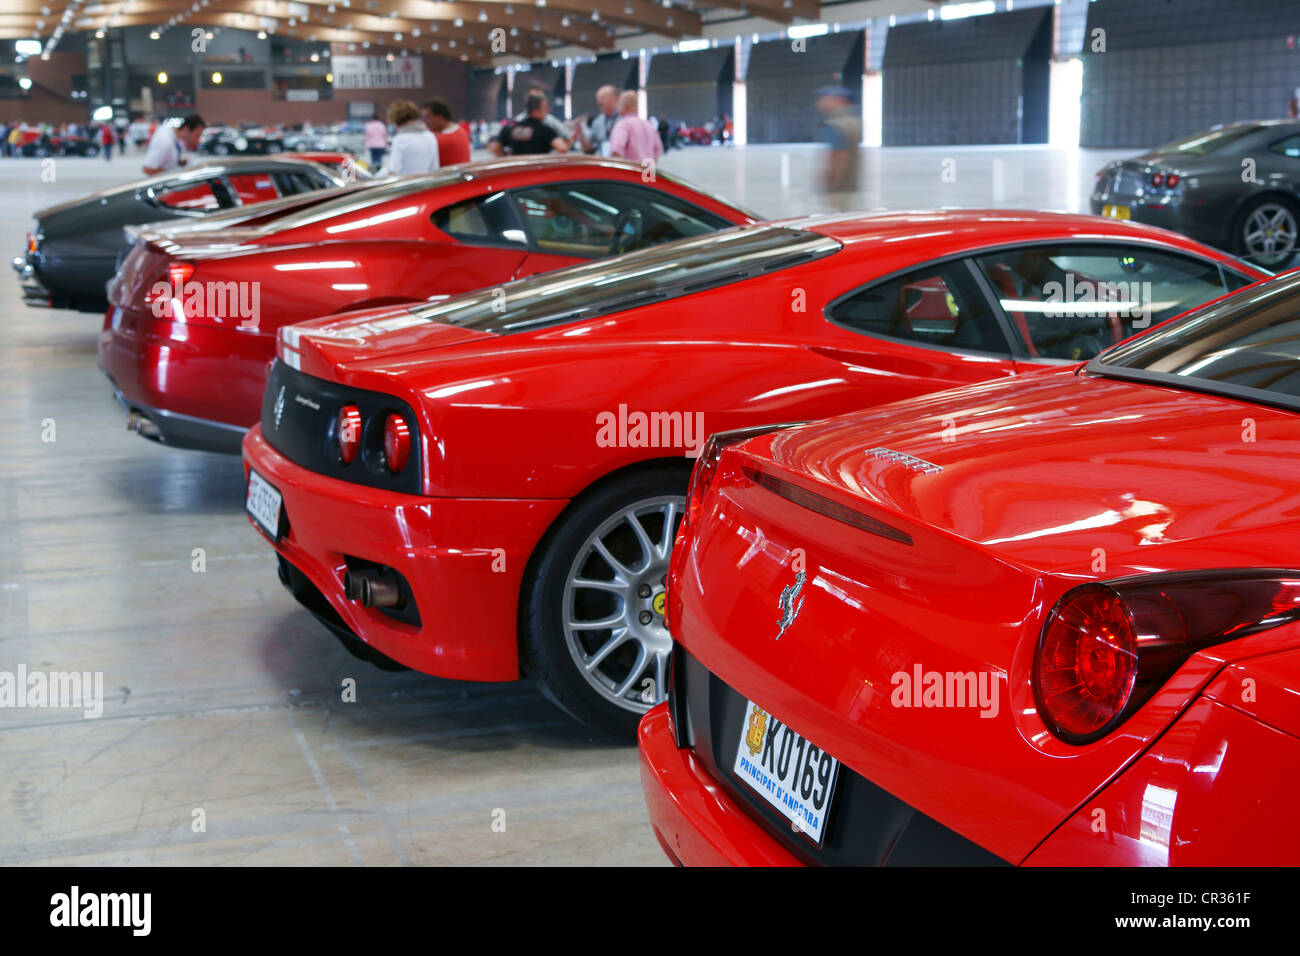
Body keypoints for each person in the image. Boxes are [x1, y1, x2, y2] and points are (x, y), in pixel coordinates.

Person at [815, 86, 861, 212]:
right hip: (851, 184)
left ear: (837, 100)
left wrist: (831, 187)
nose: (819, 102)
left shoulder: (834, 125)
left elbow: (838, 158)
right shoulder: (853, 122)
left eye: (824, 98)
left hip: (839, 187)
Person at [489, 92, 569, 156]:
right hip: (538, 171)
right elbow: (562, 148)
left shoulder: (511, 128)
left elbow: (494, 148)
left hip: (516, 172)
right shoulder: (545, 130)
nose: (547, 111)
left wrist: (506, 157)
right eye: (545, 107)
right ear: (536, 111)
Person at [382, 99, 439, 174]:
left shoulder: (400, 139)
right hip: (427, 183)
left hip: (406, 183)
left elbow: (393, 171)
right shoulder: (430, 136)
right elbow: (435, 167)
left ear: (396, 119)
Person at [608, 90, 662, 164]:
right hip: (647, 173)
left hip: (629, 173)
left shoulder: (622, 125)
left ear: (625, 107)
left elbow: (616, 152)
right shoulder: (649, 125)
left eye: (619, 105)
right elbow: (657, 152)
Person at [420, 98, 471, 165]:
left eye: (427, 118)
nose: (425, 122)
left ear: (440, 117)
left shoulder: (440, 140)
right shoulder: (461, 131)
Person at [572, 84, 620, 155]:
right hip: (603, 163)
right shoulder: (598, 122)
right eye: (597, 99)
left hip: (623, 163)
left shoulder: (625, 120)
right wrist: (580, 131)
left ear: (615, 98)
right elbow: (588, 149)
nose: (599, 102)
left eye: (602, 98)